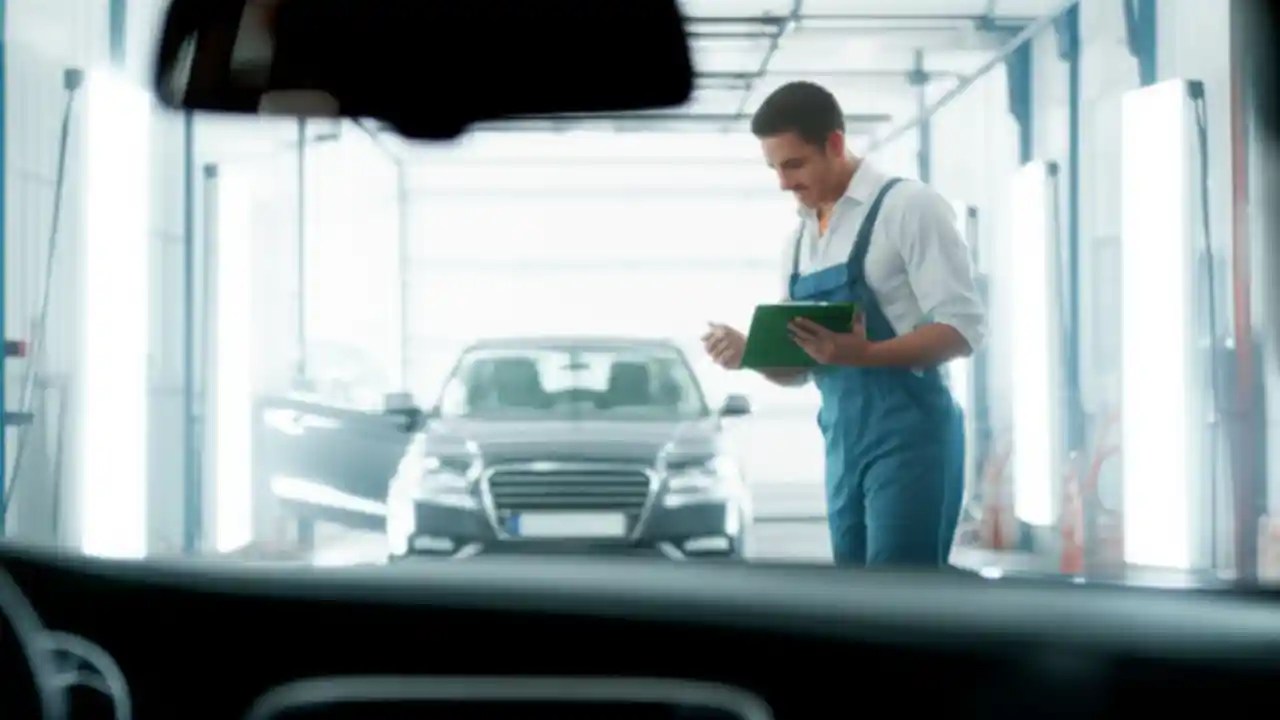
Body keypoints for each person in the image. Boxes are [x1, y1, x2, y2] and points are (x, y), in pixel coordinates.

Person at [702, 81, 984, 568]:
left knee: (900, 599)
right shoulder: (798, 241)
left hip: (911, 437)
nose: (783, 183)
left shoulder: (908, 208)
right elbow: (800, 368)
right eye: (774, 168)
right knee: (853, 601)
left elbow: (962, 331)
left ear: (834, 144)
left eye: (794, 164)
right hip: (841, 441)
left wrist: (866, 354)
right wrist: (750, 353)